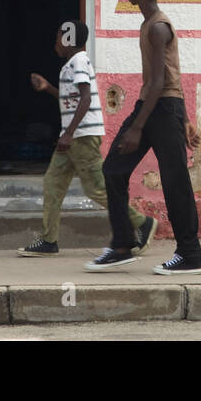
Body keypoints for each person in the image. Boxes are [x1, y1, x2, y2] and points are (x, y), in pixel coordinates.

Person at [85, 0, 201, 274]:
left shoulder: (158, 27)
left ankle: (190, 255)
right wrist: (186, 118)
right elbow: (173, 74)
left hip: (161, 109)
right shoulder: (149, 24)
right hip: (156, 106)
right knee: (113, 169)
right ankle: (122, 245)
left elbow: (161, 81)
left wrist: (139, 127)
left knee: (175, 181)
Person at [19, 20, 156, 257]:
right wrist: (48, 87)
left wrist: (69, 133)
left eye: (58, 37)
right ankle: (49, 240)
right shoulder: (72, 64)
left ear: (68, 40)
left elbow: (85, 98)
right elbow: (72, 98)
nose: (55, 43)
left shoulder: (79, 61)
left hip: (81, 137)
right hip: (73, 138)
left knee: (97, 189)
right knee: (52, 185)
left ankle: (141, 222)